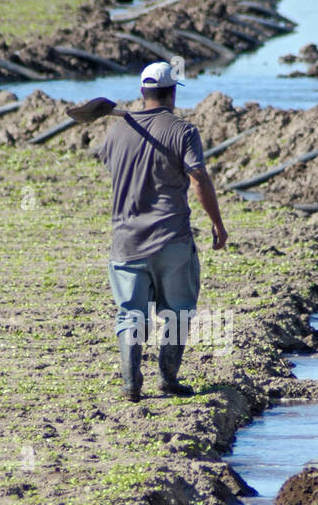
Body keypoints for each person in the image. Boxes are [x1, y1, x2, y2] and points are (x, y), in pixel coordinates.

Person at [96, 62, 228, 403]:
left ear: (142, 92)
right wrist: (217, 223)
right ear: (172, 93)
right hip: (172, 240)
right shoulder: (183, 132)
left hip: (127, 243)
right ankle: (168, 378)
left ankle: (130, 384)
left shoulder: (116, 131)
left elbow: (110, 163)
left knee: (131, 314)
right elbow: (198, 178)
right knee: (178, 311)